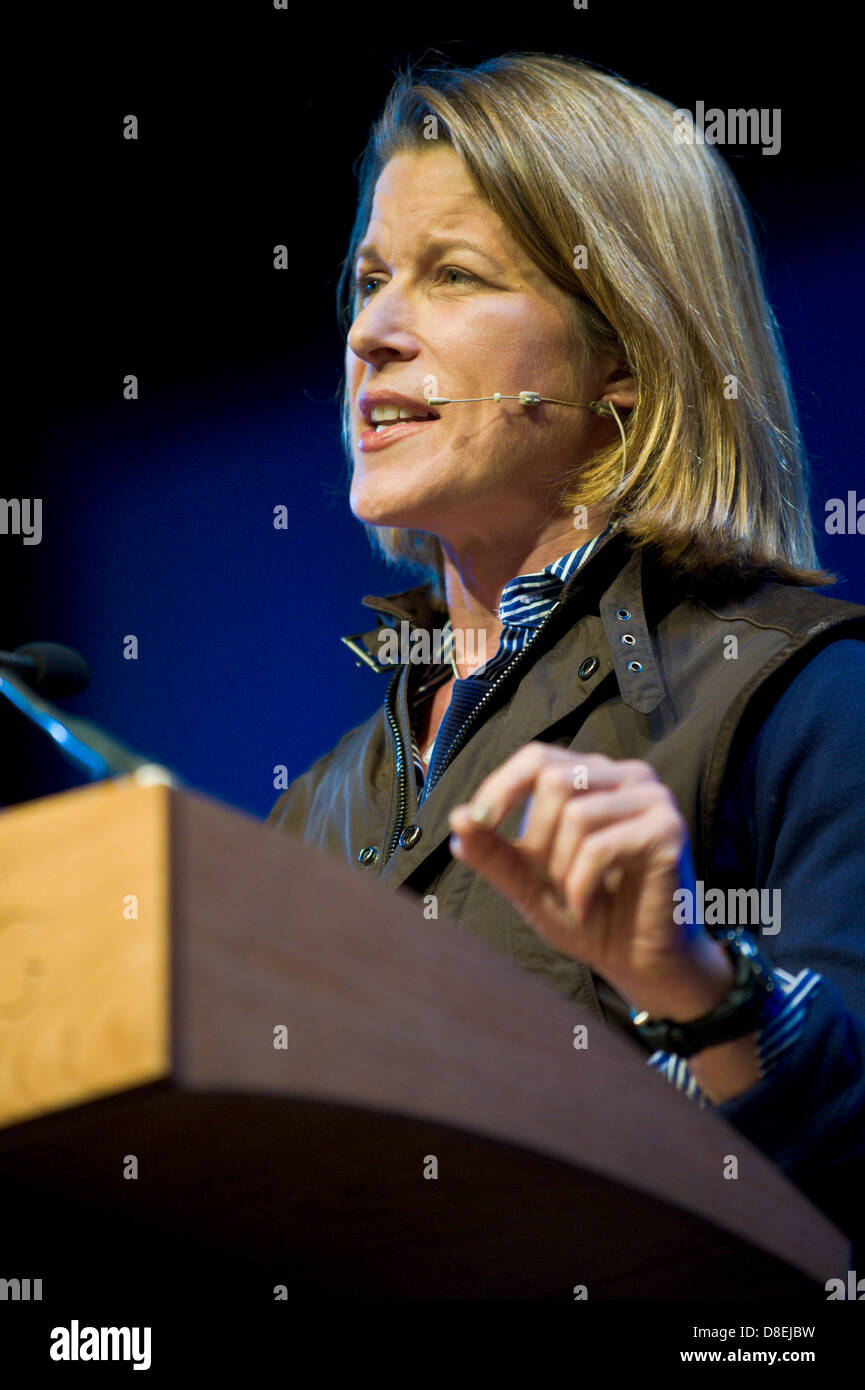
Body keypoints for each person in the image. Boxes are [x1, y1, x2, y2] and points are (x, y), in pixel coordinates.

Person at [269, 53, 865, 1256]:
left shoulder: (808, 696)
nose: (374, 330)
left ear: (626, 360)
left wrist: (700, 985)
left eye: (453, 276)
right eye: (372, 278)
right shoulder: (313, 816)